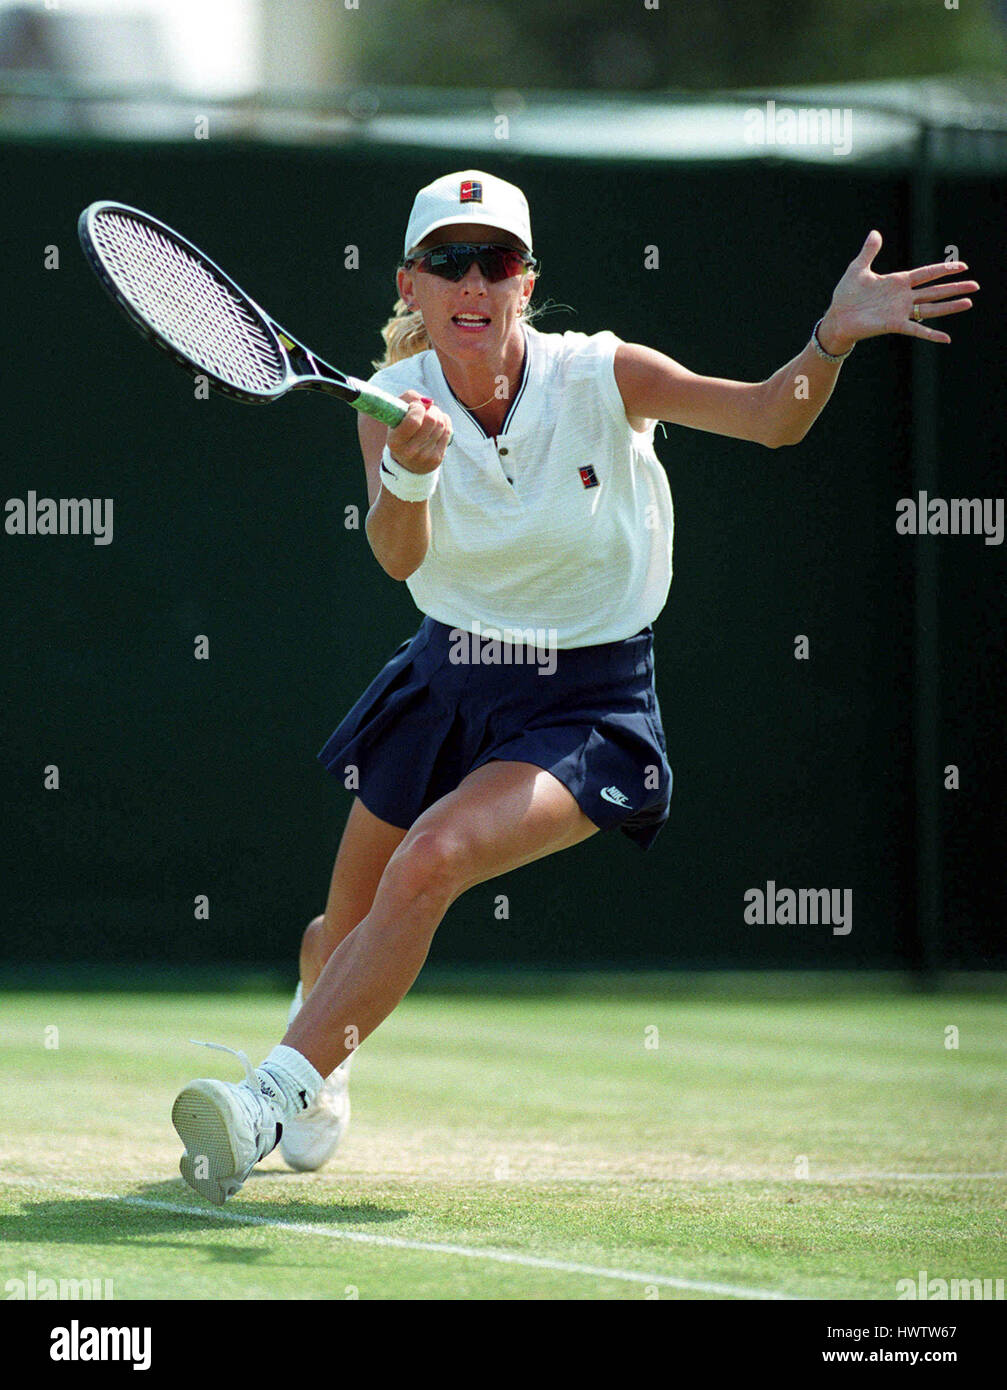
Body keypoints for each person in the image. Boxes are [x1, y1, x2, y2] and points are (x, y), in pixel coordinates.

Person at [171, 169, 977, 1204]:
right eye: (448, 262)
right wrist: (413, 469)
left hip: (585, 699)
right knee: (337, 937)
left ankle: (261, 1104)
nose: (472, 281)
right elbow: (397, 556)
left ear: (525, 281)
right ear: (410, 286)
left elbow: (769, 419)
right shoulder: (387, 408)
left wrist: (829, 339)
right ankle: (321, 1052)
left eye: (495, 260)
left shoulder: (601, 374)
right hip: (446, 674)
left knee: (431, 860)